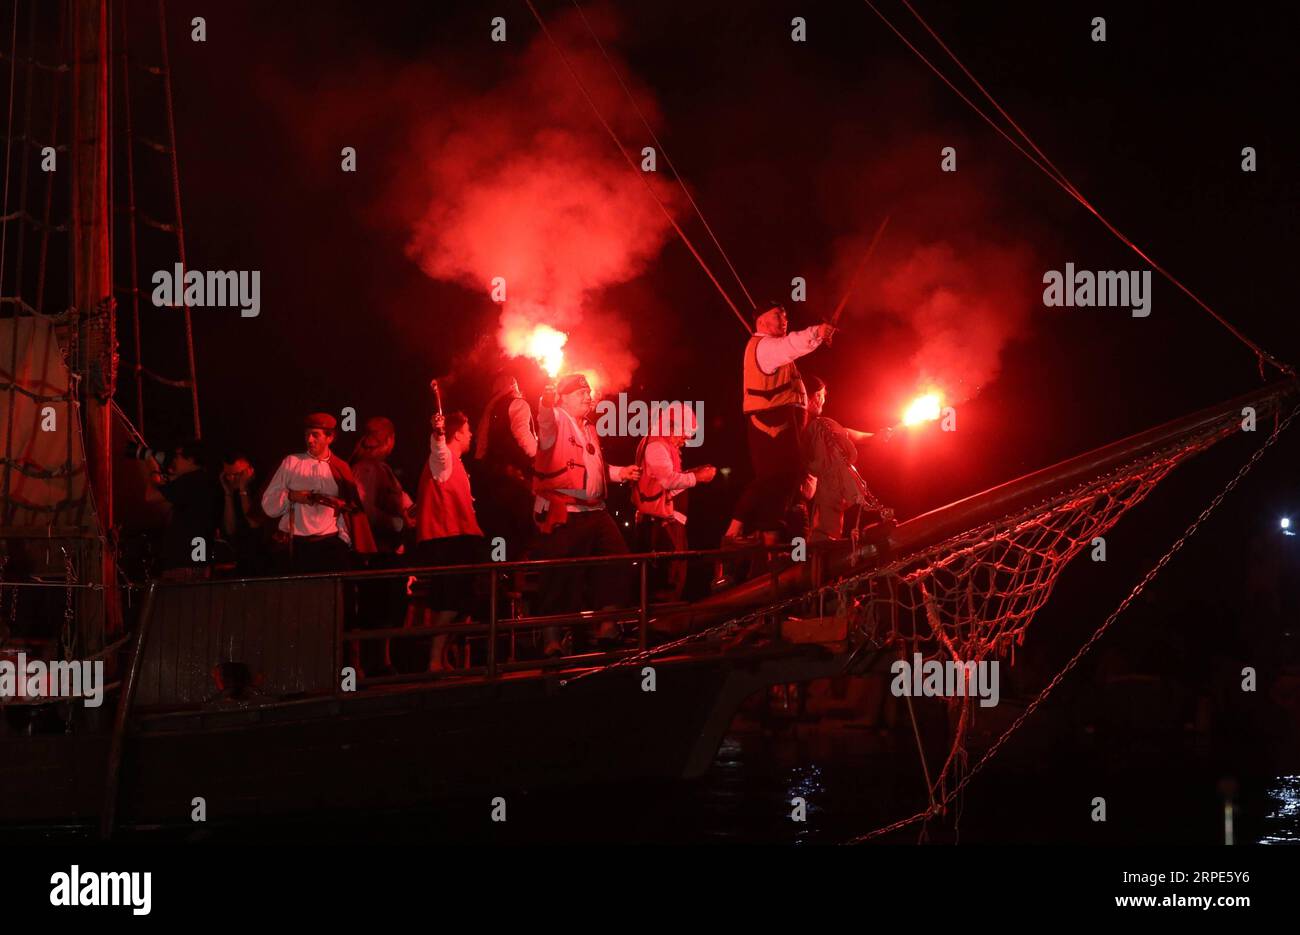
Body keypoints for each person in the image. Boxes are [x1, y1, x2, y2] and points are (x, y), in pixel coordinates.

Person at [531, 373, 641, 655]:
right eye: (581, 393)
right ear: (564, 398)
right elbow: (543, 418)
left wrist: (620, 473)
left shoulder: (589, 428)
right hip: (564, 511)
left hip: (595, 511)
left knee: (619, 560)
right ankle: (552, 642)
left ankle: (606, 625)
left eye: (588, 391)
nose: (588, 396)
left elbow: (594, 468)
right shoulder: (554, 420)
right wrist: (546, 398)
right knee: (558, 576)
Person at [723, 305, 834, 553]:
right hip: (771, 421)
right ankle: (733, 533)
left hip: (779, 419)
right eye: (777, 315)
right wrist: (817, 332)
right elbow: (792, 345)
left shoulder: (771, 347)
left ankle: (768, 541)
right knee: (774, 476)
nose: (784, 320)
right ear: (761, 322)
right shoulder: (765, 347)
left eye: (785, 316)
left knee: (782, 478)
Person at [409, 410, 486, 672]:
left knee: (464, 600)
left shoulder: (458, 463)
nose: (471, 434)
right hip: (447, 540)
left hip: (459, 539)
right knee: (452, 600)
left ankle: (440, 656)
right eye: (468, 430)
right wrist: (437, 432)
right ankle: (434, 657)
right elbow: (439, 450)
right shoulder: (443, 459)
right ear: (457, 434)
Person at [261, 412, 375, 572]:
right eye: (307, 435)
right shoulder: (292, 462)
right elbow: (268, 505)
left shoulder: (340, 467)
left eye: (315, 435)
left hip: (328, 545)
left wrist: (344, 540)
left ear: (330, 438)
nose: (309, 440)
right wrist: (292, 496)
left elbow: (350, 511)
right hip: (296, 545)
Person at [632, 405, 716, 601]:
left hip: (668, 524)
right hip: (660, 527)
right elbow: (668, 481)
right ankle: (659, 626)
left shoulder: (662, 445)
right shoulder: (656, 446)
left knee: (674, 578)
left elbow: (666, 483)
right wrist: (698, 477)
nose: (684, 442)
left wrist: (693, 472)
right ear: (672, 427)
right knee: (665, 581)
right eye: (683, 436)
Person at [803, 376, 889, 540]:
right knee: (821, 540)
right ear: (815, 397)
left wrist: (874, 436)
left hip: (804, 499)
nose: (822, 401)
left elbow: (844, 433)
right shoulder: (816, 426)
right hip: (805, 501)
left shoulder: (811, 425)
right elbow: (839, 435)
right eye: (821, 396)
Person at [471, 371, 539, 555]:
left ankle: (499, 573)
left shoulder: (490, 410)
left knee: (499, 533)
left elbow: (481, 448)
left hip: (493, 481)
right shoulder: (518, 404)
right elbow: (523, 435)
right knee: (522, 532)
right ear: (513, 387)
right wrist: (539, 459)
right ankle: (518, 574)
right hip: (516, 480)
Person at [147, 440, 221, 580]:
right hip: (198, 558)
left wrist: (153, 470)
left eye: (178, 456)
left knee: (181, 600)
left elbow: (150, 497)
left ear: (191, 459)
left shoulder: (190, 481)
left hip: (184, 562)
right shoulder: (203, 480)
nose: (174, 460)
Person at [349, 416, 414, 556]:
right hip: (376, 553)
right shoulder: (367, 468)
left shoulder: (379, 468)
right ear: (390, 439)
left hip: (385, 550)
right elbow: (364, 509)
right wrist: (397, 523)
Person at [216, 453, 270, 575]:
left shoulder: (262, 488)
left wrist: (243, 489)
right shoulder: (227, 491)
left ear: (250, 471)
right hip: (241, 559)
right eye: (227, 475)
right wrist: (228, 494)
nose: (231, 479)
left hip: (263, 558)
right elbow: (230, 529)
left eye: (237, 474)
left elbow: (253, 523)